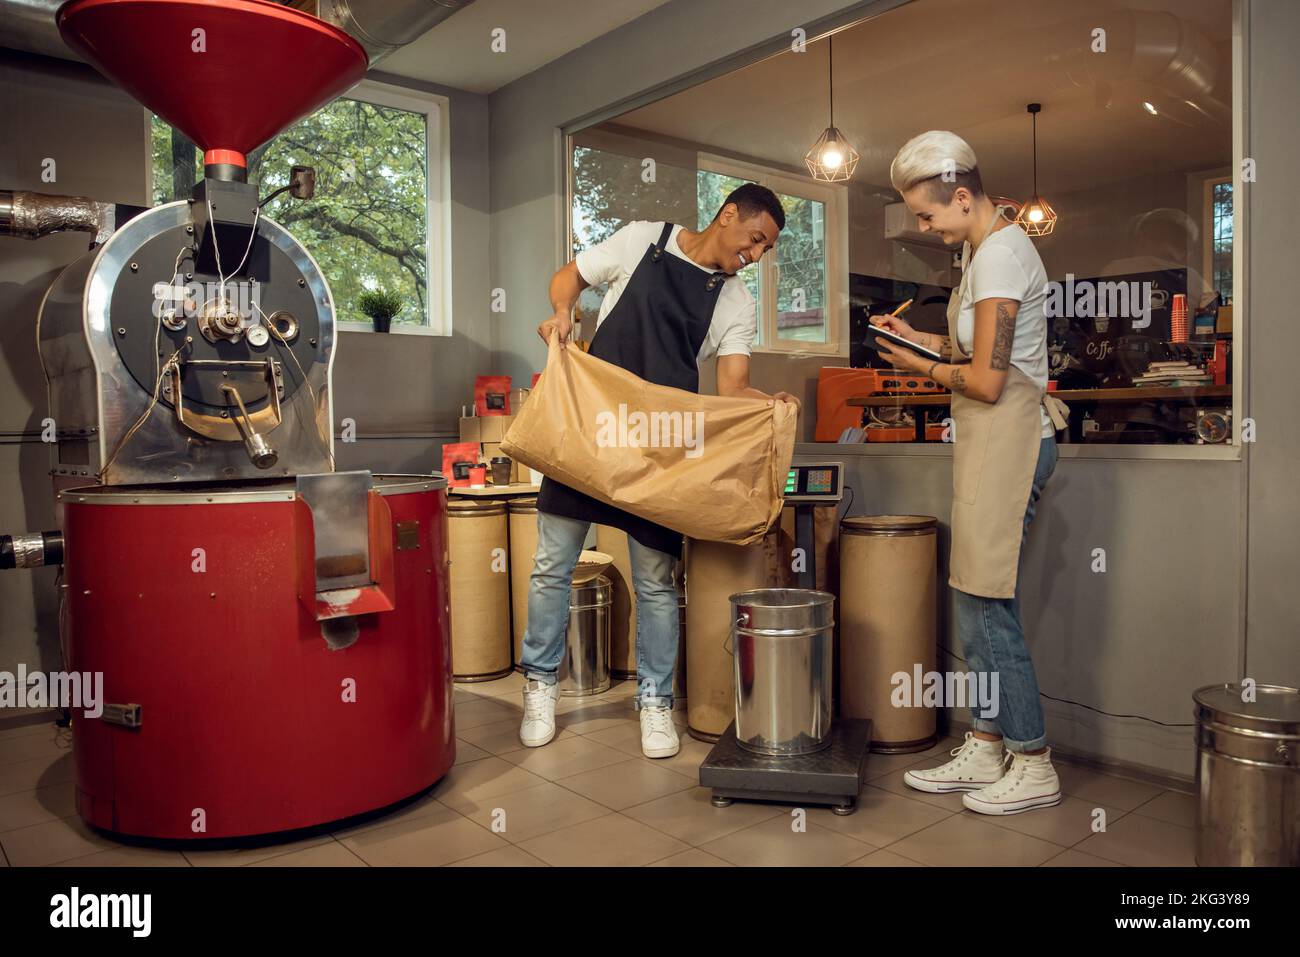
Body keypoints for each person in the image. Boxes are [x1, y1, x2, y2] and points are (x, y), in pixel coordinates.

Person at [519, 183, 801, 757]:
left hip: (661, 451)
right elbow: (568, 278)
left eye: (765, 249)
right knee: (552, 566)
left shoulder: (735, 302)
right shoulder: (645, 239)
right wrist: (560, 316)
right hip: (591, 433)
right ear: (728, 215)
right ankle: (540, 686)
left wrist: (769, 407)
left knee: (656, 583)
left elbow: (732, 387)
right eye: (755, 239)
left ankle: (653, 701)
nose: (756, 254)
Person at [871, 130, 1069, 815]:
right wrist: (913, 341)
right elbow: (973, 348)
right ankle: (987, 744)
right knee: (973, 593)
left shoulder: (1005, 256)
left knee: (988, 605)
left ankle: (1034, 758)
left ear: (962, 196)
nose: (924, 229)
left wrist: (919, 368)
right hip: (990, 442)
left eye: (928, 216)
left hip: (1012, 438)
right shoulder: (982, 253)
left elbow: (986, 380)